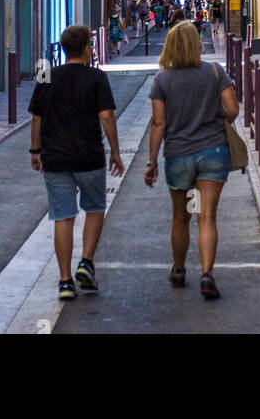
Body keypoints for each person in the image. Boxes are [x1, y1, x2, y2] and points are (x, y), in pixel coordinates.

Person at [29, 24, 124, 301]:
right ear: (86, 49)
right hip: (89, 156)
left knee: (63, 217)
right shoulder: (96, 78)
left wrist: (35, 150)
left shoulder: (47, 76)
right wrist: (116, 152)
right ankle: (86, 262)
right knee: (94, 208)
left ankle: (65, 281)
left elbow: (36, 118)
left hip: (55, 157)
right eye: (90, 45)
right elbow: (106, 116)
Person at [144, 21, 238, 300]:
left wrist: (151, 163)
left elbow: (158, 124)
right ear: (196, 45)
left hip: (179, 155)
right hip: (212, 153)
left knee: (180, 217)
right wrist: (212, 119)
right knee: (207, 217)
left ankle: (179, 270)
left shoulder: (162, 80)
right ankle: (207, 275)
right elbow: (232, 109)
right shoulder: (214, 72)